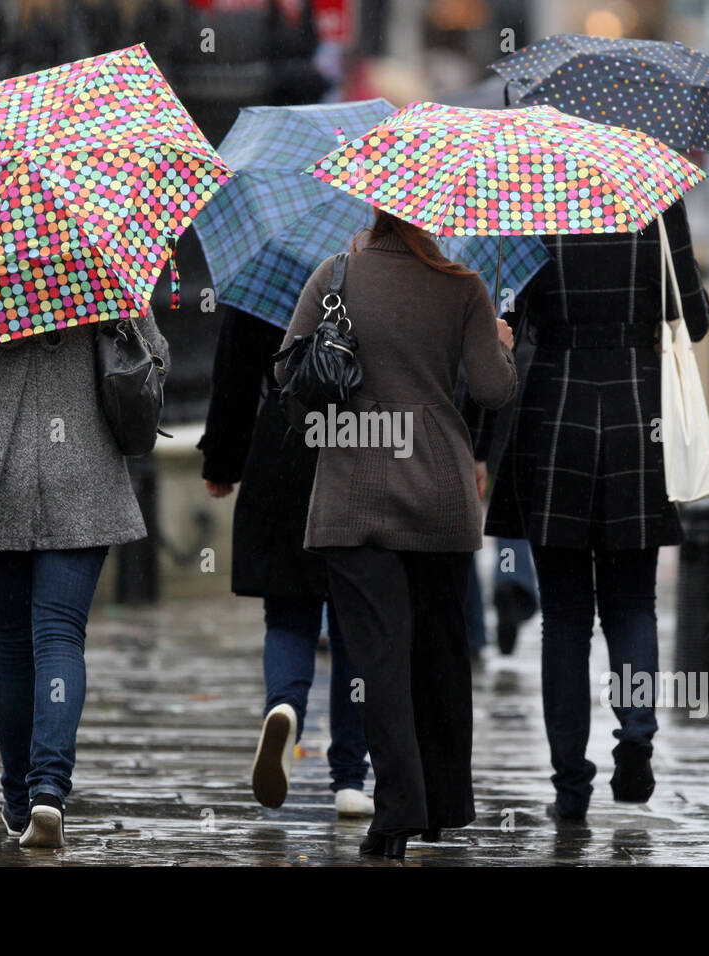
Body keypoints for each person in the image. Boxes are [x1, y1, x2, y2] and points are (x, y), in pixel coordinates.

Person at [276, 209, 517, 858]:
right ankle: (441, 805)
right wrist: (500, 343)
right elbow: (493, 391)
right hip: (438, 494)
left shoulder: (335, 275)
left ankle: (397, 811)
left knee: (378, 658)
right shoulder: (464, 284)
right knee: (440, 653)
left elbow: (286, 374)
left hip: (352, 497)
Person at [482, 199, 709, 822]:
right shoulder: (657, 201)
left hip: (556, 419)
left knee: (564, 621)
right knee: (633, 603)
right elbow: (693, 317)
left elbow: (509, 322)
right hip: (641, 418)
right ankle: (635, 735)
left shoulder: (536, 198)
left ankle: (570, 787)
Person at [0, 308, 169, 849]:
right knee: (61, 635)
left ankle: (19, 799)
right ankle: (49, 788)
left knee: (12, 642)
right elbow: (155, 363)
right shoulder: (99, 259)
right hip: (83, 470)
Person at [198, 305, 372, 817]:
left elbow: (233, 372)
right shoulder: (380, 269)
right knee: (355, 626)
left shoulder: (266, 272)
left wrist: (222, 461)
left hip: (283, 445)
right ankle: (348, 777)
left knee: (288, 613)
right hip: (361, 445)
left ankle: (285, 705)